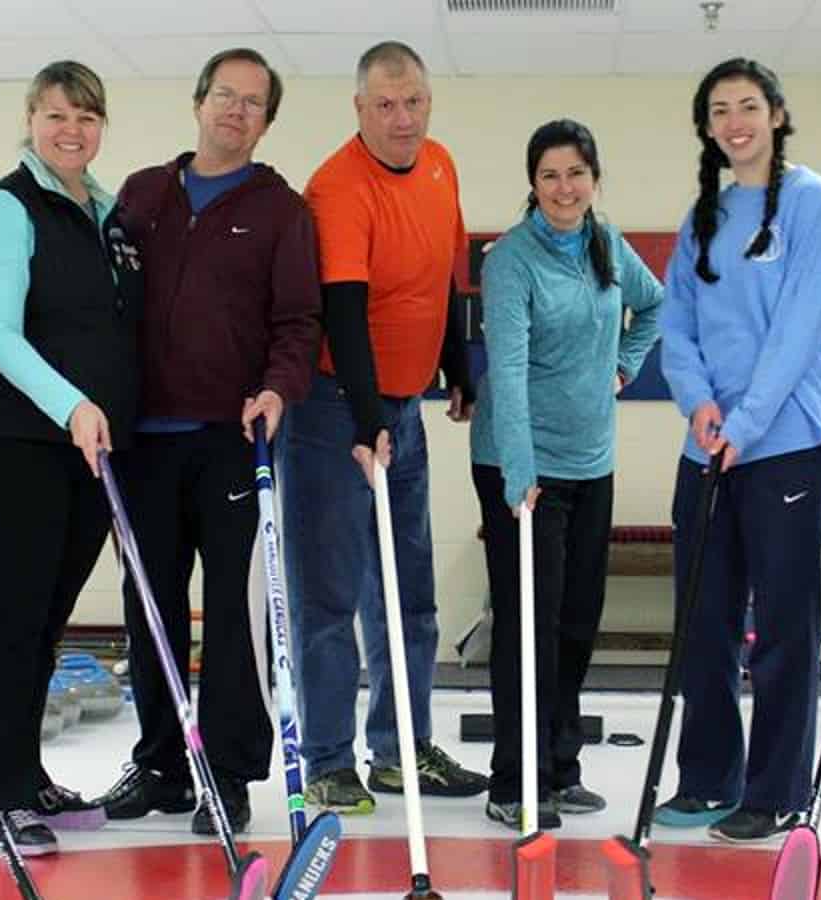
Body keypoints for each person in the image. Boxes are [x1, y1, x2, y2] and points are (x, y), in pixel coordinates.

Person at [93, 48, 320, 836]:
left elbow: (298, 324)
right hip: (140, 444)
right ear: (198, 103)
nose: (235, 110)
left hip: (232, 439)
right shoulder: (142, 194)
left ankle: (224, 774)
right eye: (225, 95)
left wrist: (278, 389)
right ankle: (160, 763)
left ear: (266, 121)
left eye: (253, 102)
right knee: (148, 609)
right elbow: (103, 301)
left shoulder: (283, 211)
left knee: (233, 616)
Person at [282, 39, 488, 815]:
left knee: (411, 598)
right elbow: (343, 309)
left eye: (415, 103)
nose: (403, 119)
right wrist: (369, 423)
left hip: (402, 407)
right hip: (335, 409)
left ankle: (403, 750)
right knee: (331, 595)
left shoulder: (439, 165)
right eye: (387, 106)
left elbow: (441, 281)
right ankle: (331, 761)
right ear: (360, 109)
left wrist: (459, 370)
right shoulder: (338, 187)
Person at [654, 57, 821, 845]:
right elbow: (677, 324)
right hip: (707, 444)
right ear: (707, 128)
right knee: (702, 621)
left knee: (781, 624)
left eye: (748, 106)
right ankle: (708, 779)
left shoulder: (811, 201)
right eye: (719, 111)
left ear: (776, 113)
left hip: (791, 441)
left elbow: (801, 327)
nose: (735, 122)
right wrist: (701, 407)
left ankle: (775, 791)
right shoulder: (702, 215)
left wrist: (744, 426)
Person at [0, 60, 142, 855]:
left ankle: (26, 778)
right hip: (15, 444)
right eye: (58, 115)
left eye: (88, 118)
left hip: (88, 451)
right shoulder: (6, 207)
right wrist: (73, 406)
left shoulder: (107, 213)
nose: (73, 130)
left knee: (47, 622)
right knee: (14, 618)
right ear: (32, 118)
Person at [471, 118, 662, 829]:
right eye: (549, 175)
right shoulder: (512, 260)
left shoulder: (606, 244)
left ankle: (561, 766)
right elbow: (510, 372)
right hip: (519, 466)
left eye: (575, 173)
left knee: (577, 623)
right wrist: (521, 474)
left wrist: (624, 365)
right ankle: (514, 781)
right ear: (533, 183)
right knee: (529, 627)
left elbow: (654, 307)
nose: (564, 187)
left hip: (591, 463)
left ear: (594, 179)